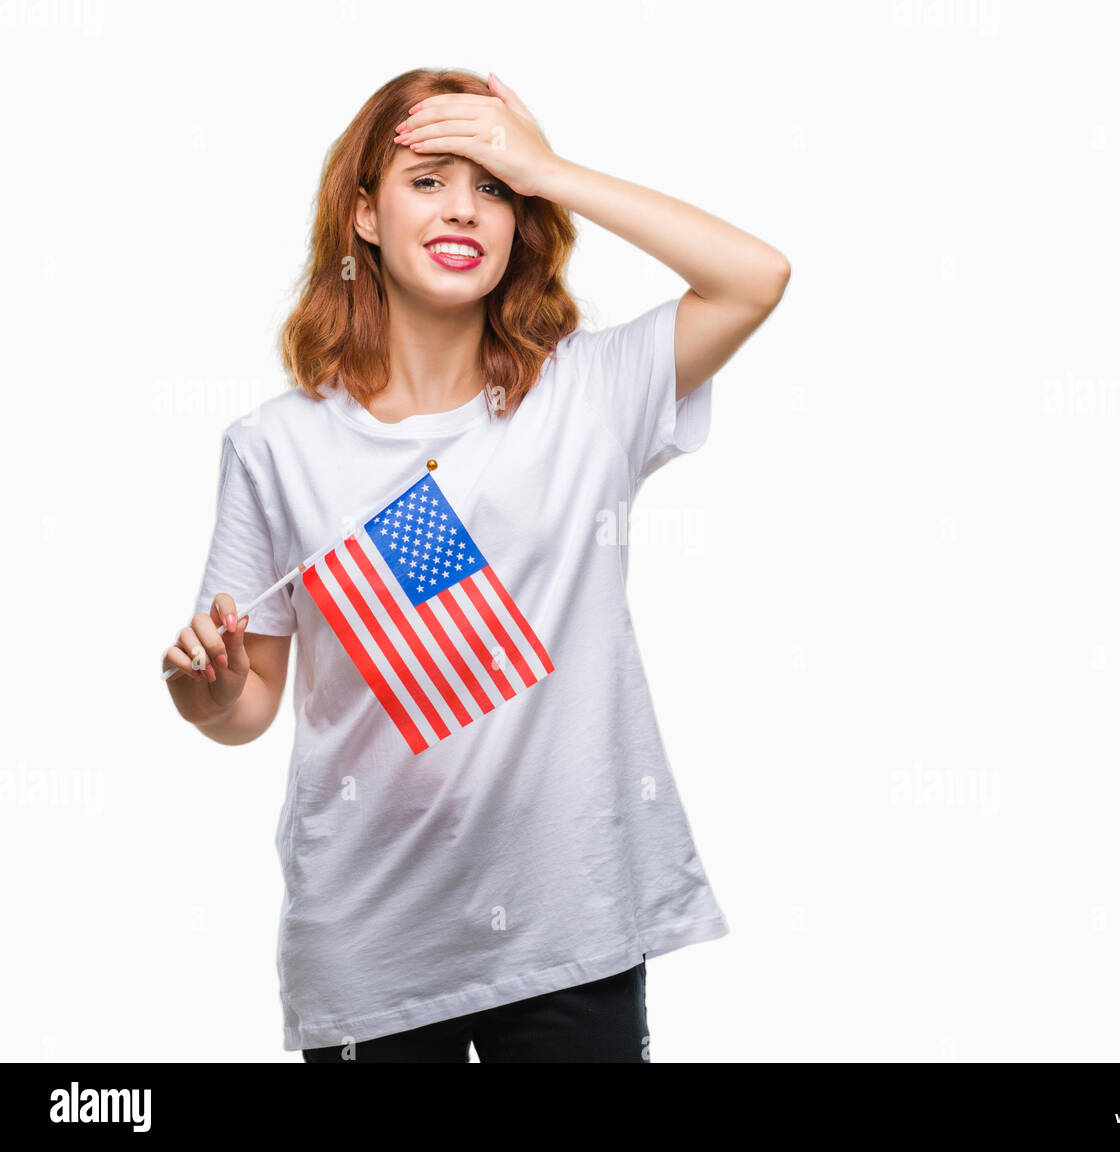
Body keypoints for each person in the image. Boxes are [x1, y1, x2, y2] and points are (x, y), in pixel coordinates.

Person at [162, 67, 789, 1063]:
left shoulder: (591, 393)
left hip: (568, 937)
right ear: (362, 215)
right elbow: (243, 713)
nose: (464, 206)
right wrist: (206, 688)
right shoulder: (275, 446)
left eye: (491, 187)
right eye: (427, 180)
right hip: (370, 946)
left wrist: (547, 166)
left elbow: (754, 276)